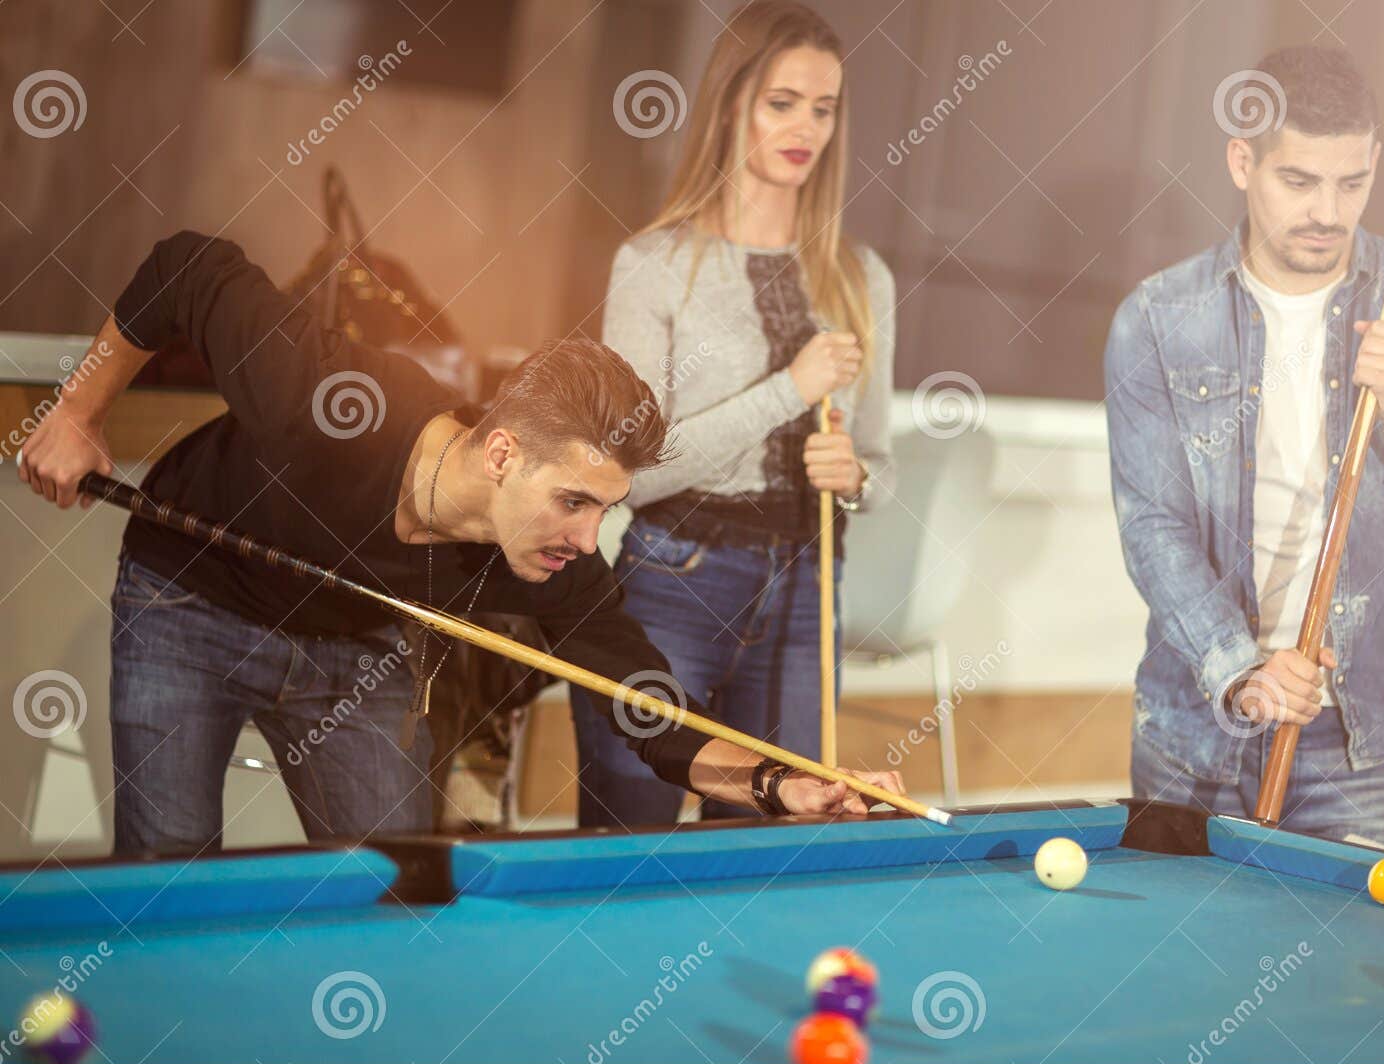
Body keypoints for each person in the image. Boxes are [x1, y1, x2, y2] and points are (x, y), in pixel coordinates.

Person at [17, 230, 903, 854]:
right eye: (572, 500)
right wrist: (79, 411)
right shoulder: (332, 402)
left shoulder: (555, 558)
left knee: (403, 896)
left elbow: (649, 709)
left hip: (351, 648)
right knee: (168, 876)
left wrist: (780, 785)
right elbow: (191, 267)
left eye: (605, 507)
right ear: (503, 451)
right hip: (190, 599)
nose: (588, 536)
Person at [1105, 46, 1384, 853]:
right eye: (1298, 181)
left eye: (1352, 183)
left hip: (1364, 757)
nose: (1328, 211)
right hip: (1195, 732)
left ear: (1374, 166)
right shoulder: (1157, 318)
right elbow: (1152, 528)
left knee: (1353, 981)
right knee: (1183, 978)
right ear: (1241, 161)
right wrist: (1242, 669)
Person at [573, 0, 897, 828]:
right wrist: (787, 388)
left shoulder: (863, 278)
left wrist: (857, 476)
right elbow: (631, 472)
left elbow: (880, 462)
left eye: (824, 109)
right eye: (782, 102)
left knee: (776, 853)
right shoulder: (654, 264)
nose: (808, 128)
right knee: (627, 848)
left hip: (807, 587)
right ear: (731, 104)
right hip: (674, 580)